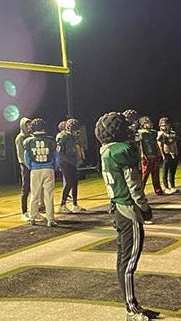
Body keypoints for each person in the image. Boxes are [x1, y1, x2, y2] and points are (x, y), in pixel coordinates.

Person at [95, 111, 155, 321]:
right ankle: (131, 308)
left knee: (123, 260)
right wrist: (145, 209)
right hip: (128, 209)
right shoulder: (123, 150)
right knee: (128, 263)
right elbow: (134, 186)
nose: (130, 129)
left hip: (117, 209)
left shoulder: (106, 150)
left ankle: (132, 305)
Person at [23, 118, 59, 227]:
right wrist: (54, 167)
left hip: (35, 170)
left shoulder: (28, 141)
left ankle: (32, 217)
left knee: (34, 195)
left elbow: (26, 157)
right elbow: (56, 157)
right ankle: (50, 219)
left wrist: (32, 167)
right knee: (49, 195)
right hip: (48, 169)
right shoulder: (51, 140)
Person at [57, 118, 86, 213]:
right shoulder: (62, 136)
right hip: (65, 163)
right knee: (68, 183)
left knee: (75, 183)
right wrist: (69, 161)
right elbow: (59, 152)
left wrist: (77, 159)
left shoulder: (73, 137)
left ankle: (74, 204)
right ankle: (62, 205)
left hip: (72, 162)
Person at [137, 116, 164, 197]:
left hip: (154, 155)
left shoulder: (154, 132)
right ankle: (140, 192)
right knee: (144, 175)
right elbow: (140, 144)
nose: (150, 124)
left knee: (156, 174)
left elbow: (156, 143)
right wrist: (142, 155)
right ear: (143, 124)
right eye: (147, 122)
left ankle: (158, 190)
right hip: (147, 156)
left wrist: (159, 153)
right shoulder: (141, 133)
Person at [14, 117, 34, 221]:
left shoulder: (31, 136)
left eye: (30, 124)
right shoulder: (20, 137)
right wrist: (27, 165)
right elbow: (21, 154)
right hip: (25, 166)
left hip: (33, 165)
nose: (29, 126)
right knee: (25, 188)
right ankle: (24, 212)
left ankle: (34, 211)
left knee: (35, 189)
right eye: (27, 124)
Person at [157, 117, 179, 194]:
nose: (165, 127)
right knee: (165, 171)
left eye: (167, 125)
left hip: (173, 153)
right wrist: (163, 155)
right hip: (166, 154)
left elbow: (174, 144)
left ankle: (172, 186)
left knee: (172, 171)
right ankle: (166, 187)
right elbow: (160, 145)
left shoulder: (172, 133)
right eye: (163, 125)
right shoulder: (161, 134)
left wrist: (176, 152)